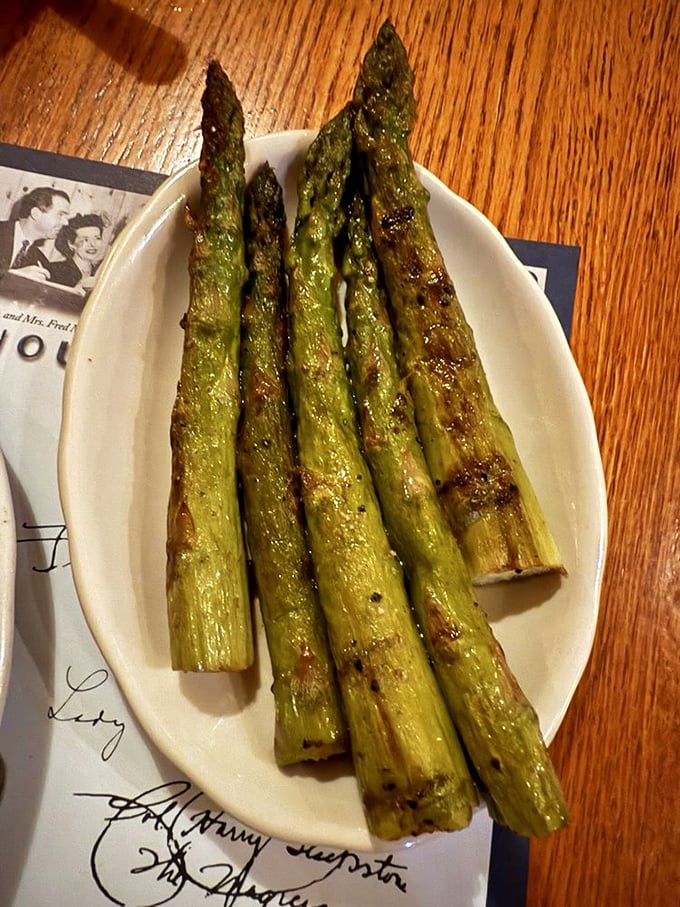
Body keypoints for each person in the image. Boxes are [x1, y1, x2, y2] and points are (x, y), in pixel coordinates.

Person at [0, 186, 71, 280]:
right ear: (35, 214)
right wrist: (12, 276)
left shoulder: (41, 262)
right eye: (60, 214)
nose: (66, 222)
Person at [48, 213, 106, 291]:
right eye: (86, 239)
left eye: (97, 238)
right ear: (71, 244)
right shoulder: (55, 270)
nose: (93, 244)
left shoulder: (102, 273)